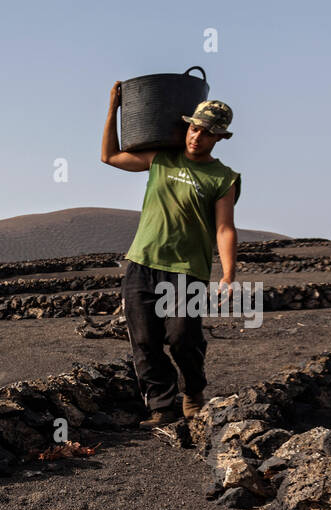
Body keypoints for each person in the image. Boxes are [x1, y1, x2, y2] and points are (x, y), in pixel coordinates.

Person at [102, 88, 241, 427]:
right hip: (142, 263)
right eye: (195, 128)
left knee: (182, 337)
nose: (197, 136)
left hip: (186, 271)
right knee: (145, 341)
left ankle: (193, 389)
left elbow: (224, 229)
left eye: (207, 132)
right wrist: (113, 109)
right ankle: (161, 406)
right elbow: (110, 157)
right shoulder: (162, 157)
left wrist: (228, 274)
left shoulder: (224, 178)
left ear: (220, 137)